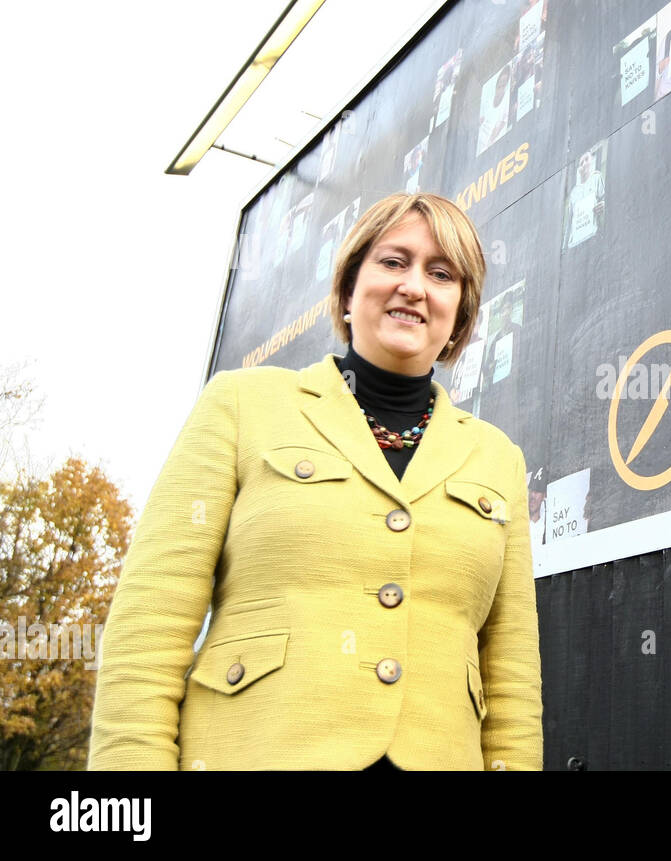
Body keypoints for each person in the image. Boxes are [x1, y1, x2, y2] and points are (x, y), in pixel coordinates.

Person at [89, 192, 542, 771]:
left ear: (460, 314)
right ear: (350, 289)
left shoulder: (498, 458)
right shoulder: (240, 404)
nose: (414, 286)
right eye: (393, 262)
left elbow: (513, 678)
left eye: (441, 273)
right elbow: (148, 628)